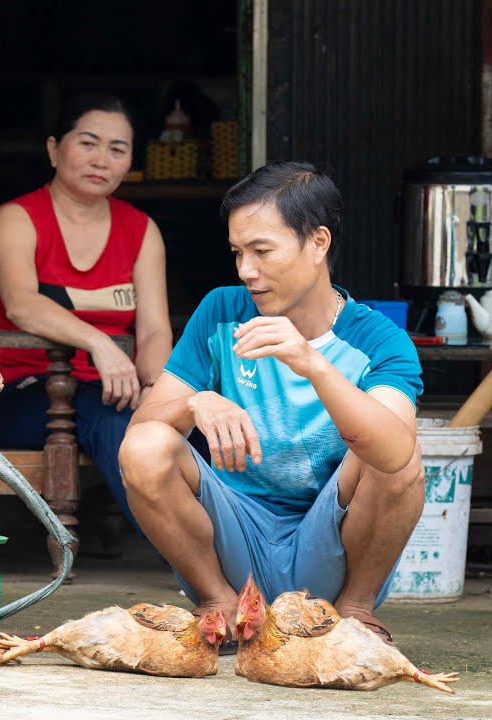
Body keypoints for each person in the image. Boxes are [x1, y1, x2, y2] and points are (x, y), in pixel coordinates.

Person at [118, 161, 424, 644]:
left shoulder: (378, 340)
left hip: (328, 554)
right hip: (233, 545)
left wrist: (314, 364)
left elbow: (394, 455)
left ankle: (355, 614)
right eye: (238, 252)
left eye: (262, 251)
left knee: (401, 455)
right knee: (146, 445)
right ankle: (218, 603)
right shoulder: (223, 311)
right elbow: (144, 426)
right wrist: (197, 403)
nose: (246, 271)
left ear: (318, 243)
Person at [0, 93, 173, 529]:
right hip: (21, 391)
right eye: (88, 143)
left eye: (117, 149)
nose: (101, 159)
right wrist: (98, 343)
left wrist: (155, 392)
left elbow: (156, 329)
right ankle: (188, 554)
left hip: (113, 393)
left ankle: (243, 543)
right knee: (111, 421)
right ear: (54, 149)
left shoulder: (141, 230)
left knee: (180, 421)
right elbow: (23, 305)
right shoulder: (16, 219)